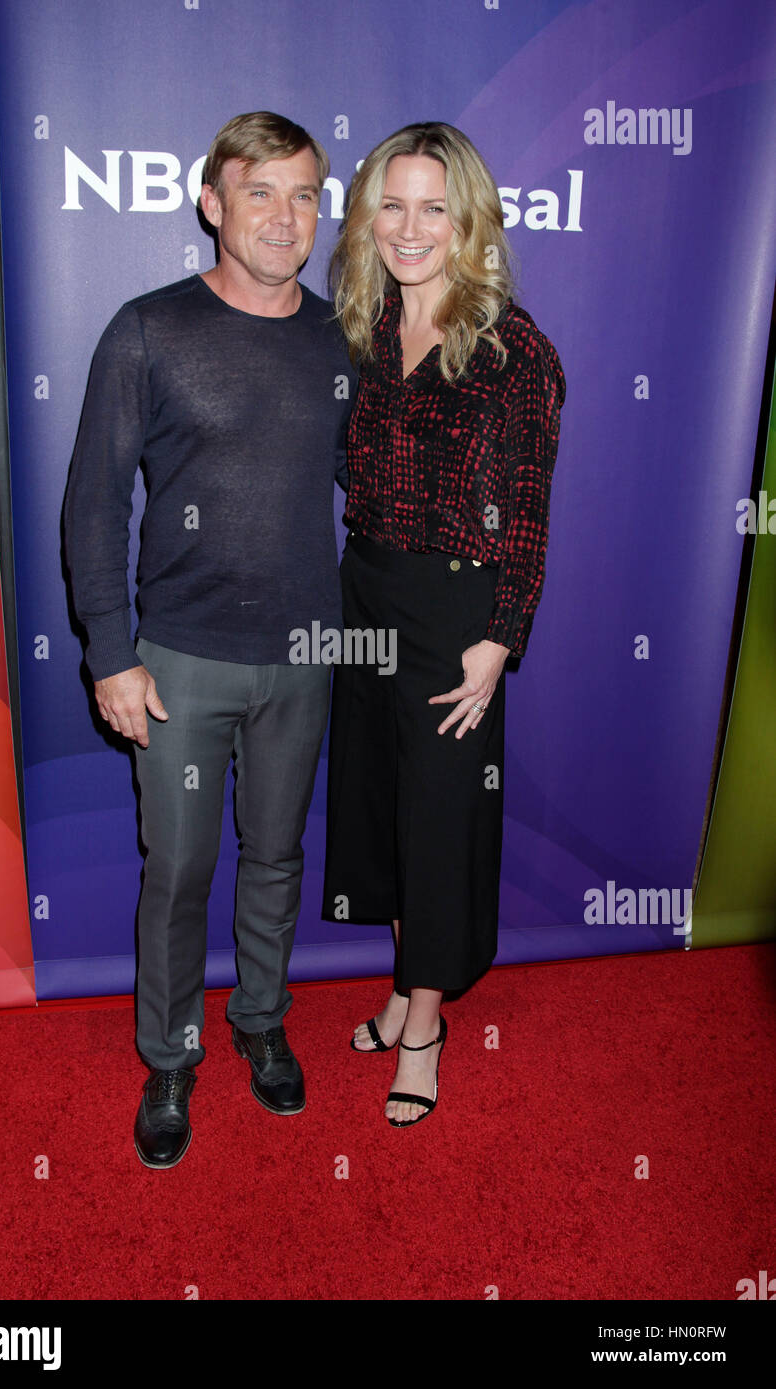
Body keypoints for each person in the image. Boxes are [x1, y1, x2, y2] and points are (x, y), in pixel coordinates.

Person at [63, 112, 356, 1168]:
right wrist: (110, 652)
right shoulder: (146, 330)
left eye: (304, 195)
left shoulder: (341, 342)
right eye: (262, 191)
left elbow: (376, 497)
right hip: (177, 660)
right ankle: (171, 1056)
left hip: (305, 658)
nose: (286, 218)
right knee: (179, 870)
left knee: (276, 858)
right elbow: (93, 505)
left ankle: (261, 1021)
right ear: (211, 201)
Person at [322, 122, 565, 1126]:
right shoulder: (360, 329)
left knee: (435, 815)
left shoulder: (514, 350)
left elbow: (533, 506)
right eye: (391, 203)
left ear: (467, 221)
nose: (409, 228)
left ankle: (423, 1022)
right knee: (377, 803)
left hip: (456, 608)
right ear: (367, 214)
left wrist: (500, 633)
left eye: (433, 207)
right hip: (365, 590)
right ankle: (398, 980)